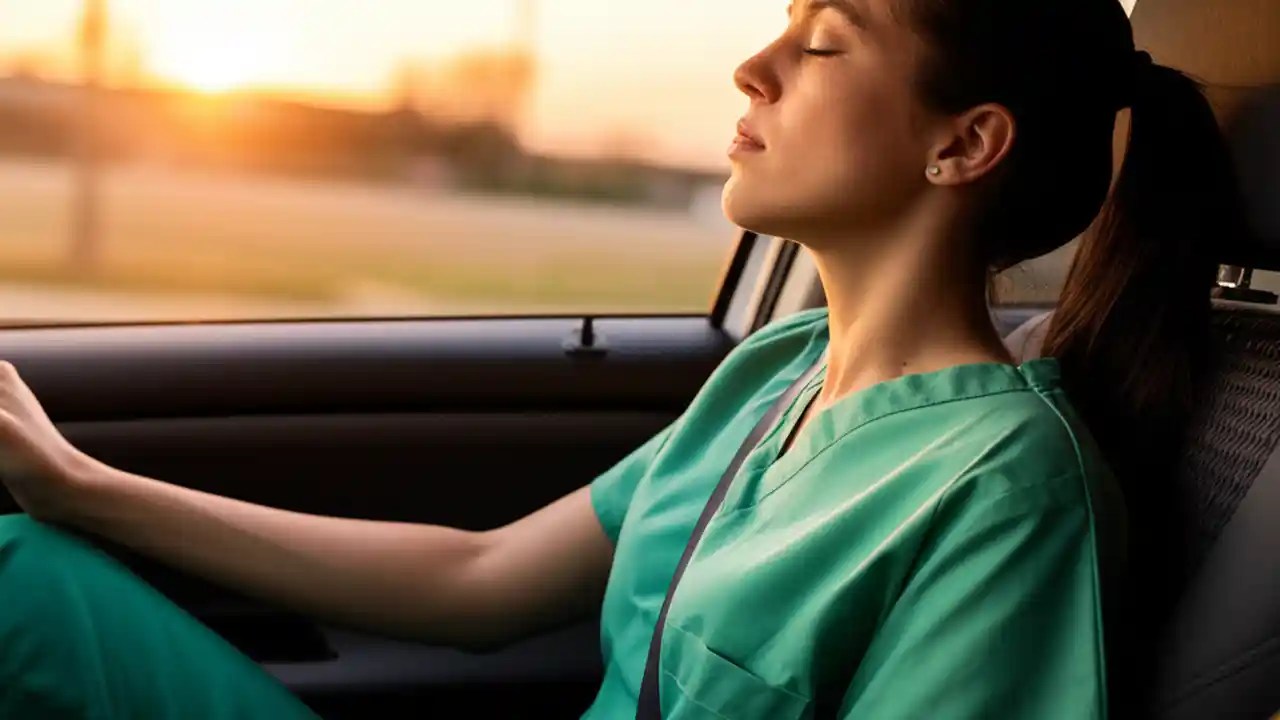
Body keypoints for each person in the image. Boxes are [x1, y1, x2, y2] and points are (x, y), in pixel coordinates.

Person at [0, 0, 1242, 717]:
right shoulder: (776, 374)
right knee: (19, 569)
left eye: (822, 42)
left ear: (962, 144)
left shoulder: (1001, 487)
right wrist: (79, 486)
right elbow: (478, 580)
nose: (752, 66)